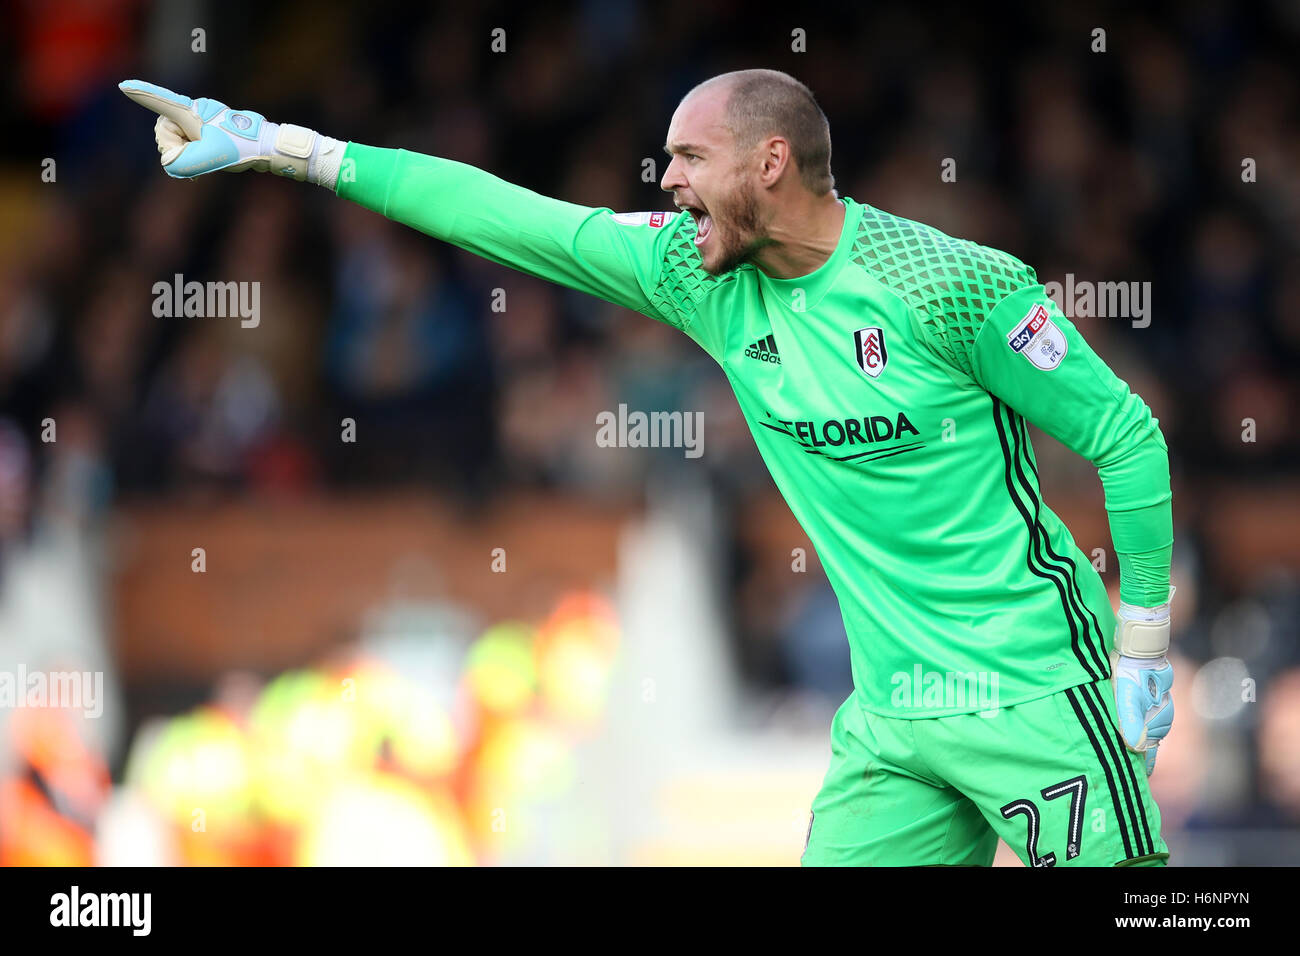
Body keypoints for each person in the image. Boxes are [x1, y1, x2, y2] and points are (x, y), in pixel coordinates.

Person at [119, 68, 1176, 866]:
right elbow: (510, 217)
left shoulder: (949, 285)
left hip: (1043, 690)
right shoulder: (698, 274)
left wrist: (1141, 648)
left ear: (769, 162)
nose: (666, 183)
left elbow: (1126, 435)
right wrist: (291, 149)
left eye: (687, 158)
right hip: (892, 722)